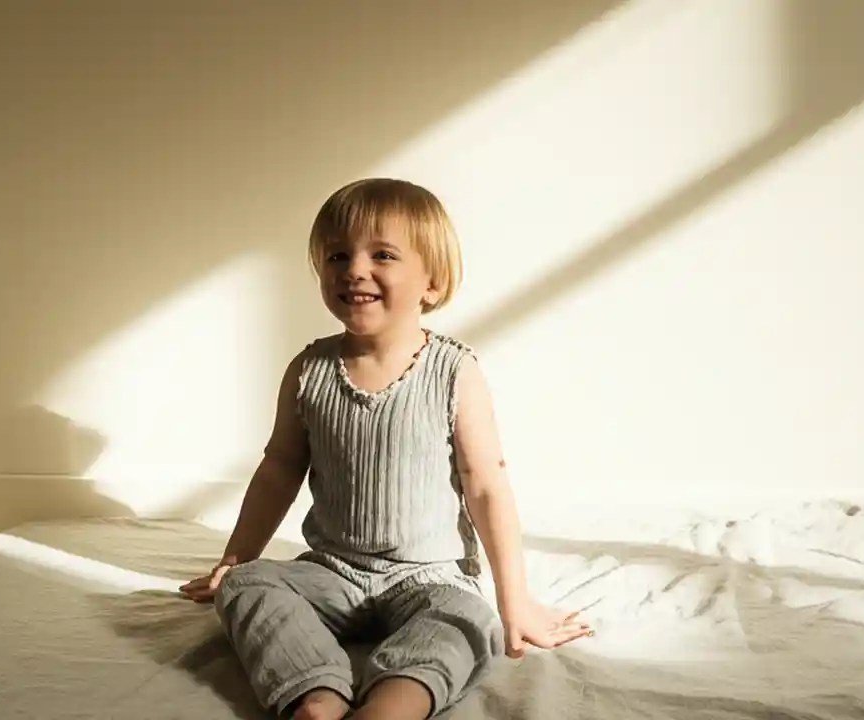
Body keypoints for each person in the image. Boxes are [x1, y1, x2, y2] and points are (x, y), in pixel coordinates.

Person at [180, 178, 591, 719]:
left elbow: (486, 486)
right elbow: (279, 470)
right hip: (331, 570)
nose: (354, 269)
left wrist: (516, 602)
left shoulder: (453, 371)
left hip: (429, 578)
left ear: (432, 281)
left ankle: (393, 706)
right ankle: (315, 696)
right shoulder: (309, 371)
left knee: (466, 622)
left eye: (384, 255)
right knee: (248, 586)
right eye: (337, 255)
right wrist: (234, 558)